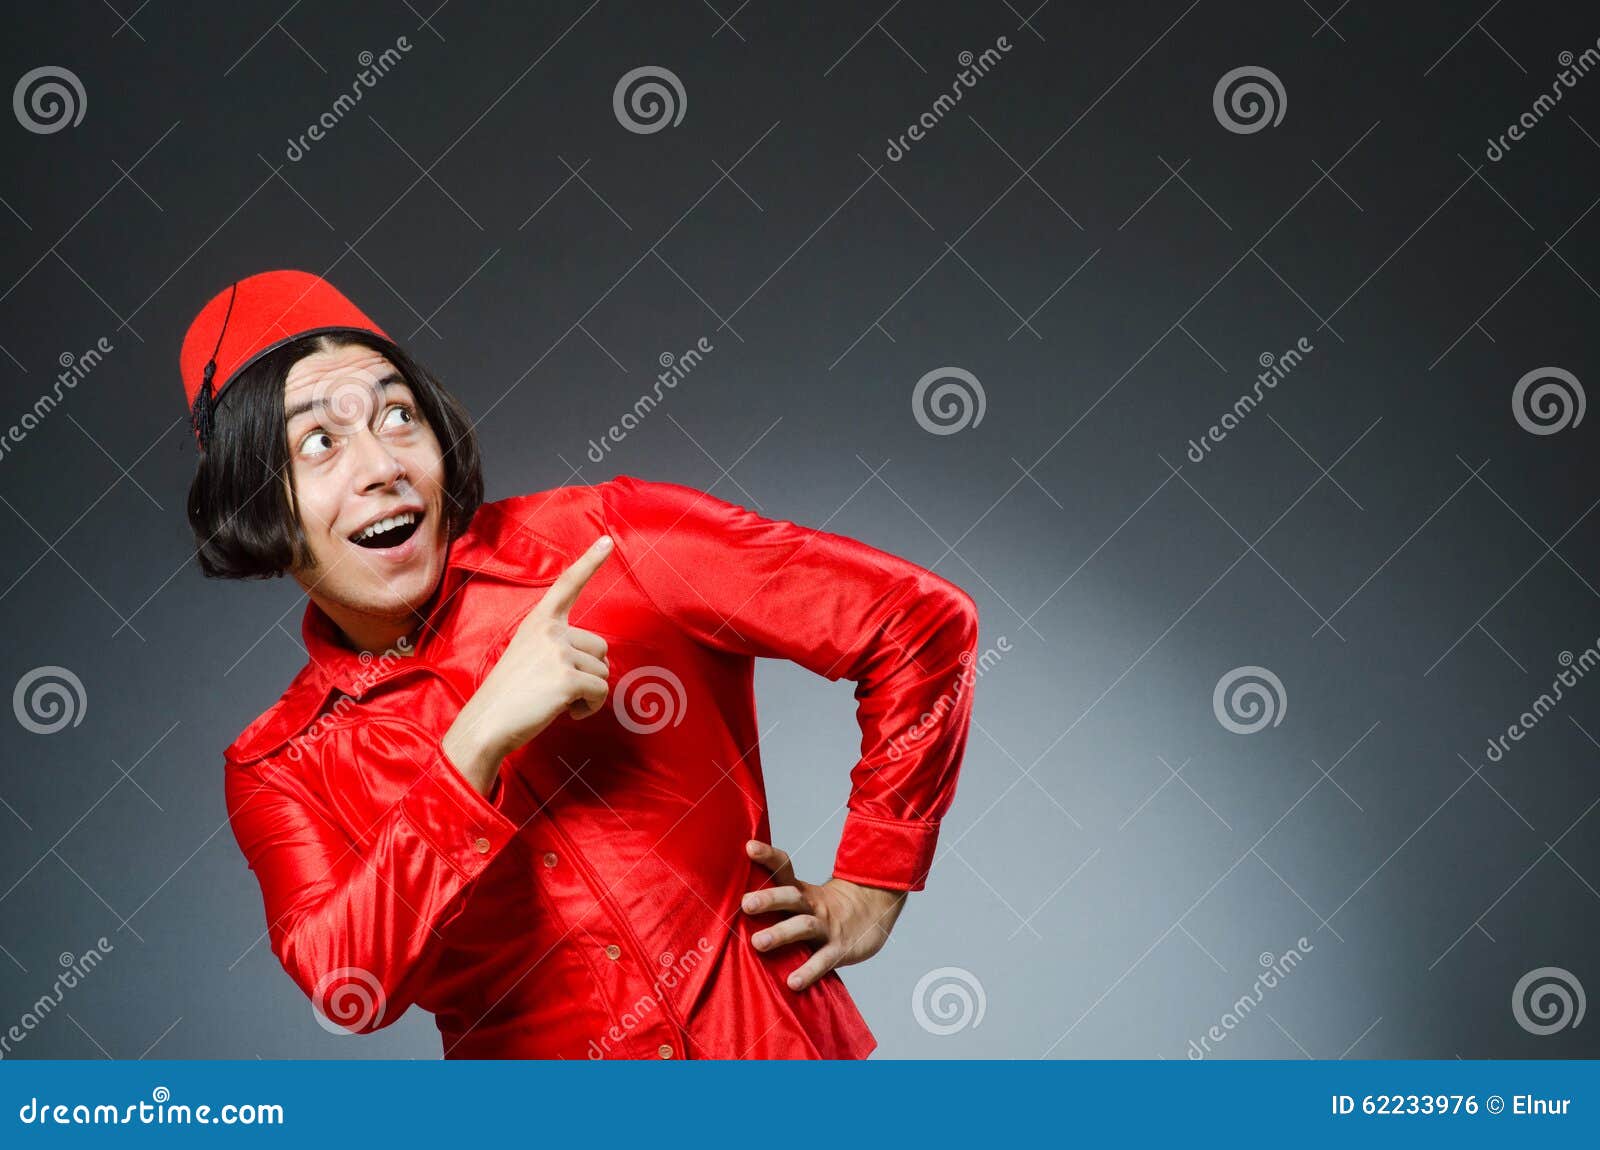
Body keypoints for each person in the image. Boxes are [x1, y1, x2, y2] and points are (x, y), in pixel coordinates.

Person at [181, 268, 979, 1059]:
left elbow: (918, 623)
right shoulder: (279, 766)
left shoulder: (615, 539)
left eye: (398, 416)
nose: (383, 466)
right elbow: (347, 986)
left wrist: (874, 885)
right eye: (320, 442)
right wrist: (473, 745)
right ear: (255, 502)